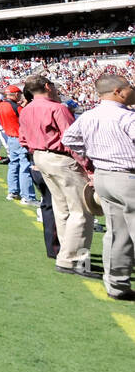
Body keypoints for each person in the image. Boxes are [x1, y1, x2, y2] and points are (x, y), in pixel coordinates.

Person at [62, 73, 135, 300]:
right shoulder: (126, 117)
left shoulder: (89, 115)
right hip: (128, 176)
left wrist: (91, 157)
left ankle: (116, 284)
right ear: (118, 91)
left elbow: (69, 139)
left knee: (117, 233)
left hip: (104, 176)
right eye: (129, 86)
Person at [20, 74, 95, 278]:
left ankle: (65, 254)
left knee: (61, 209)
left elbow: (23, 139)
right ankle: (75, 260)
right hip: (61, 158)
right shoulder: (57, 108)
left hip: (41, 157)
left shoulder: (26, 109)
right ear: (47, 86)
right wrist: (88, 168)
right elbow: (73, 141)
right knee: (81, 210)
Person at [0, 87, 37, 204]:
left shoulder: (0, 105)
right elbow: (26, 119)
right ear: (14, 94)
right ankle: (28, 196)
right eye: (19, 94)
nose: (20, 97)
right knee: (25, 166)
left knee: (13, 165)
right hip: (20, 137)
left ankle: (13, 191)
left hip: (10, 137)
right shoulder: (16, 107)